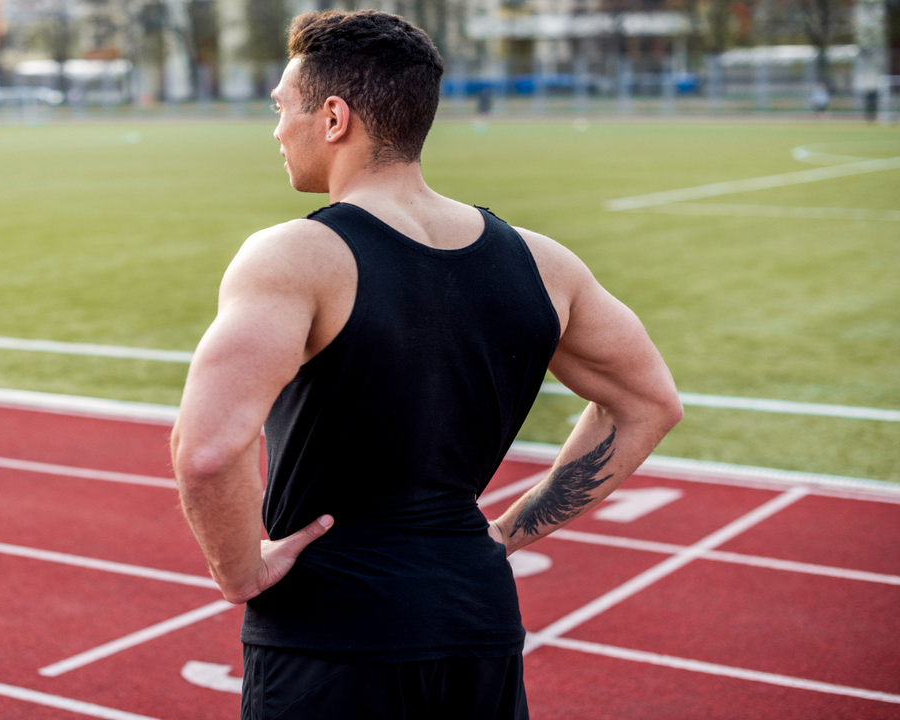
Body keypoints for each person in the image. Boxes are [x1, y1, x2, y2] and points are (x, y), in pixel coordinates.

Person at [170, 10, 683, 719]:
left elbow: (207, 451)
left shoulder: (293, 256)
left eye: (281, 109)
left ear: (333, 117)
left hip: (332, 635)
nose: (276, 130)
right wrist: (509, 531)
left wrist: (239, 571)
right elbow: (651, 404)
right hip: (479, 623)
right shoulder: (544, 262)